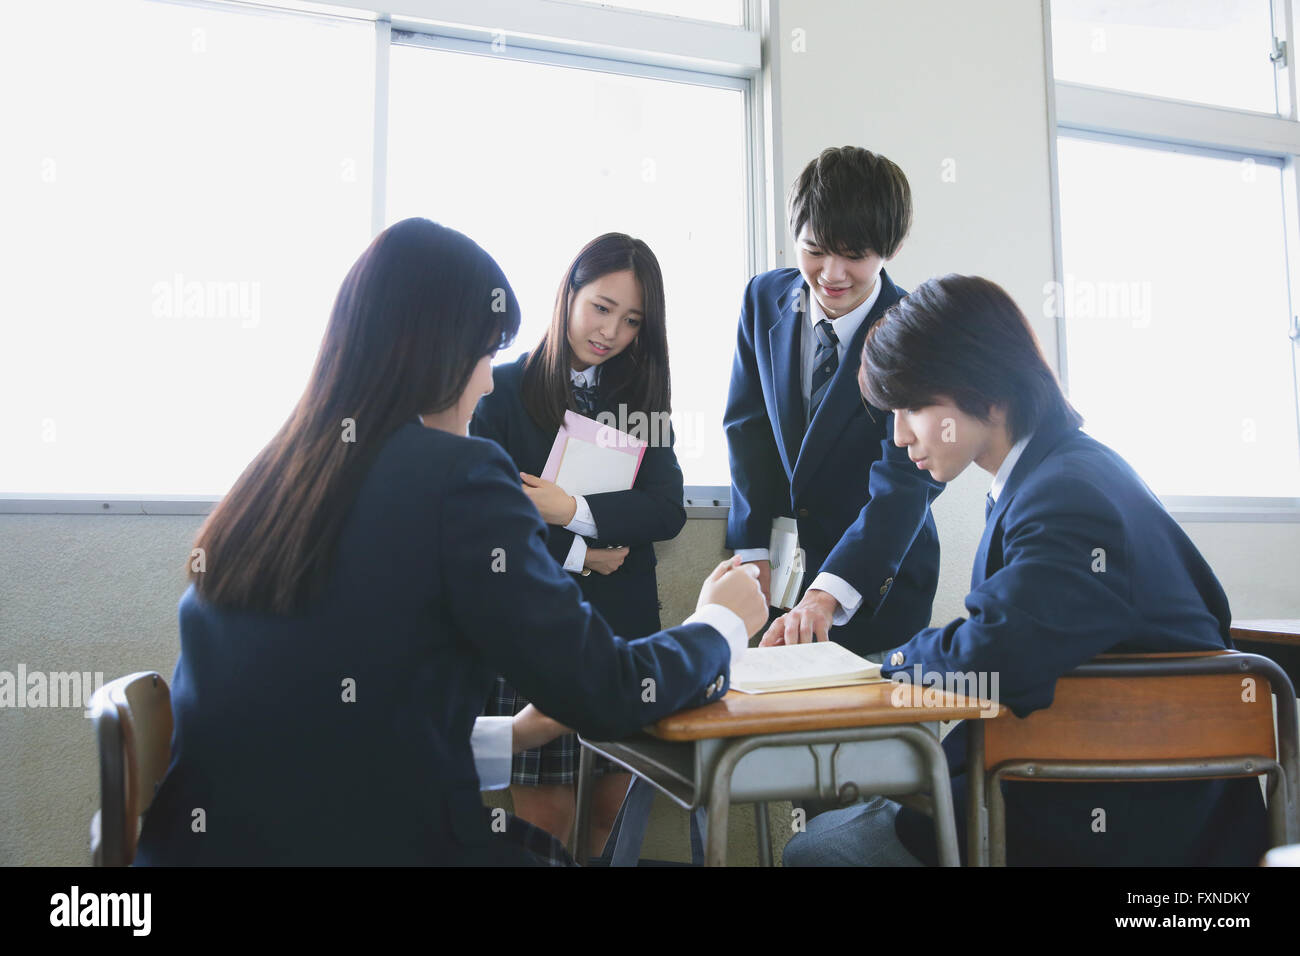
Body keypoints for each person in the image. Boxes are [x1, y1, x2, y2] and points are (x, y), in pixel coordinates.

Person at [133, 217, 766, 866]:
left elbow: (322, 722)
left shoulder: (269, 478)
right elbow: (607, 691)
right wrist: (721, 623)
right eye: (485, 353)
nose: (488, 380)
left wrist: (506, 738)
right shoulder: (457, 475)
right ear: (435, 350)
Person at [782, 274, 1269, 866]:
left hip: (1118, 816)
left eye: (912, 405)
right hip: (1094, 786)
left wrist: (884, 668)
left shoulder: (1066, 495)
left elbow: (997, 654)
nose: (900, 433)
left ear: (986, 391)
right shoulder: (1063, 473)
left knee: (816, 851)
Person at [470, 233, 685, 858]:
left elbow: (666, 509)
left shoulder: (643, 400)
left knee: (613, 813)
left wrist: (574, 510)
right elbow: (488, 514)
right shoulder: (500, 389)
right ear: (569, 294)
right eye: (601, 306)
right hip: (530, 626)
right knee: (546, 820)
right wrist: (578, 552)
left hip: (623, 628)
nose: (611, 331)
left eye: (632, 320)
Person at [724, 146, 943, 657]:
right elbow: (748, 428)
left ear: (892, 246)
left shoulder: (919, 329)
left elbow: (907, 480)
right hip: (782, 586)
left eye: (855, 255)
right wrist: (753, 549)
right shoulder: (762, 299)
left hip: (878, 588)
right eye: (816, 250)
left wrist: (829, 593)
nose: (832, 273)